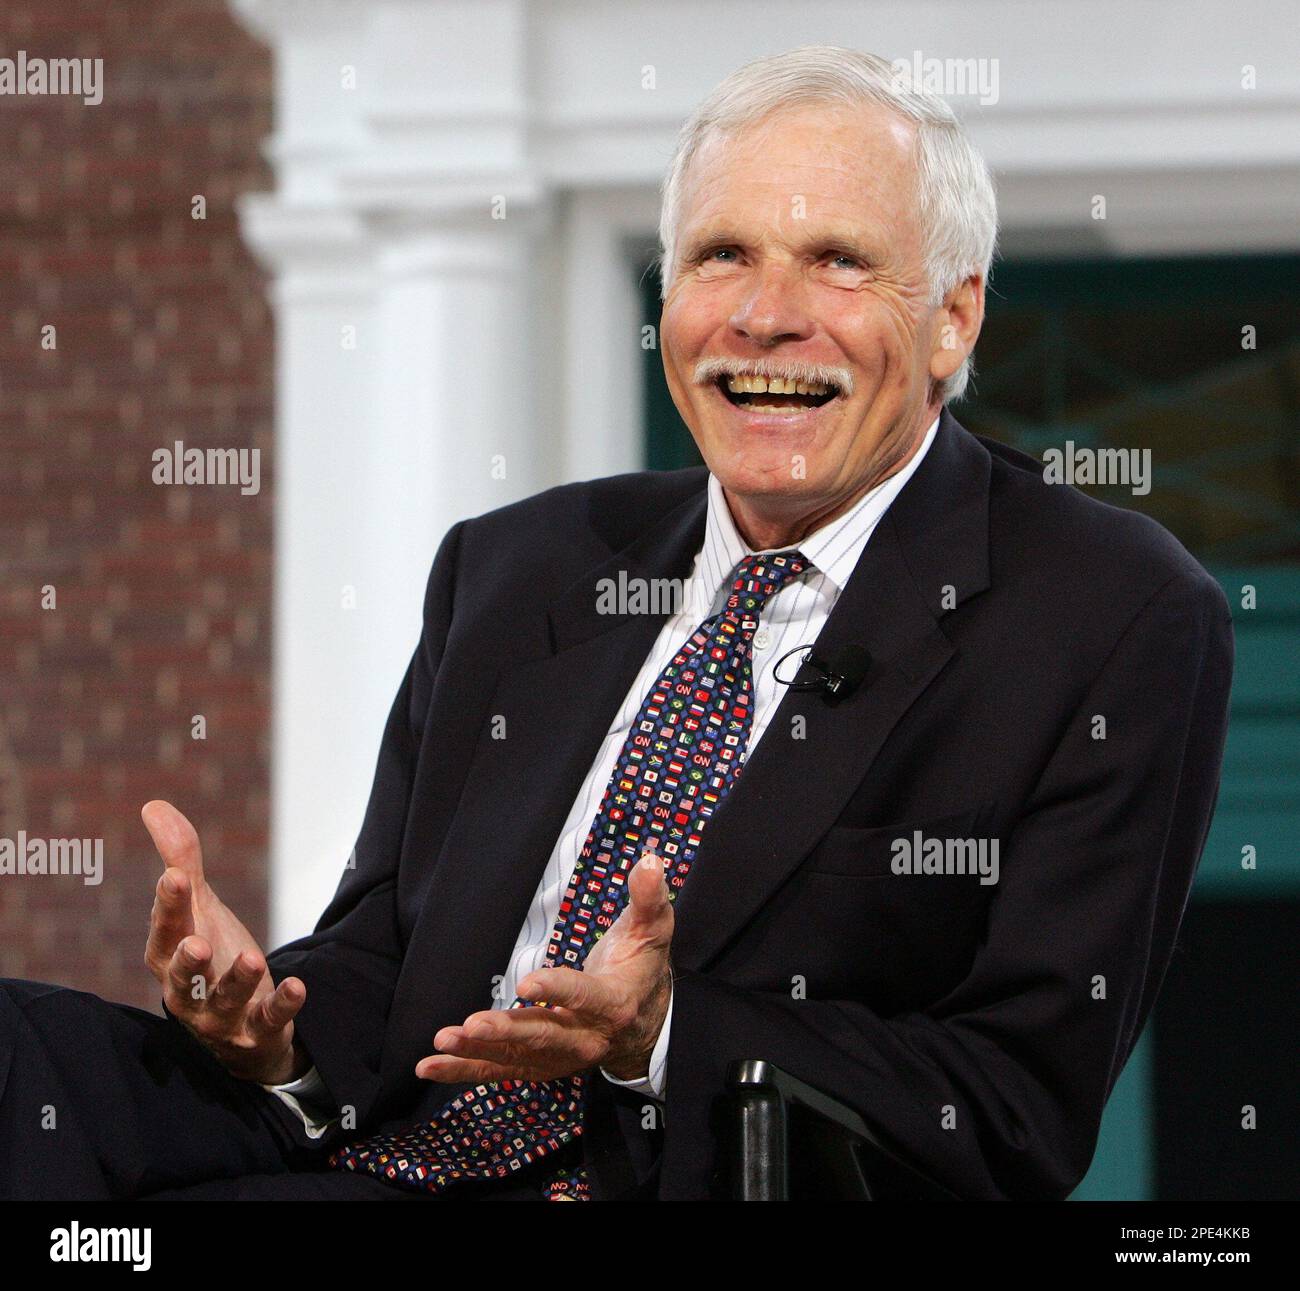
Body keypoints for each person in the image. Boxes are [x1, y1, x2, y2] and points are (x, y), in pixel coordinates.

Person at [0, 46, 1232, 1201]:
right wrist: (269, 1022)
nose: (763, 315)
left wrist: (664, 1034)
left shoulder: (1109, 613)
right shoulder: (520, 566)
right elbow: (382, 959)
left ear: (952, 320)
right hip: (360, 1148)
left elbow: (1013, 1109)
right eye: (720, 257)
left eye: (838, 262)